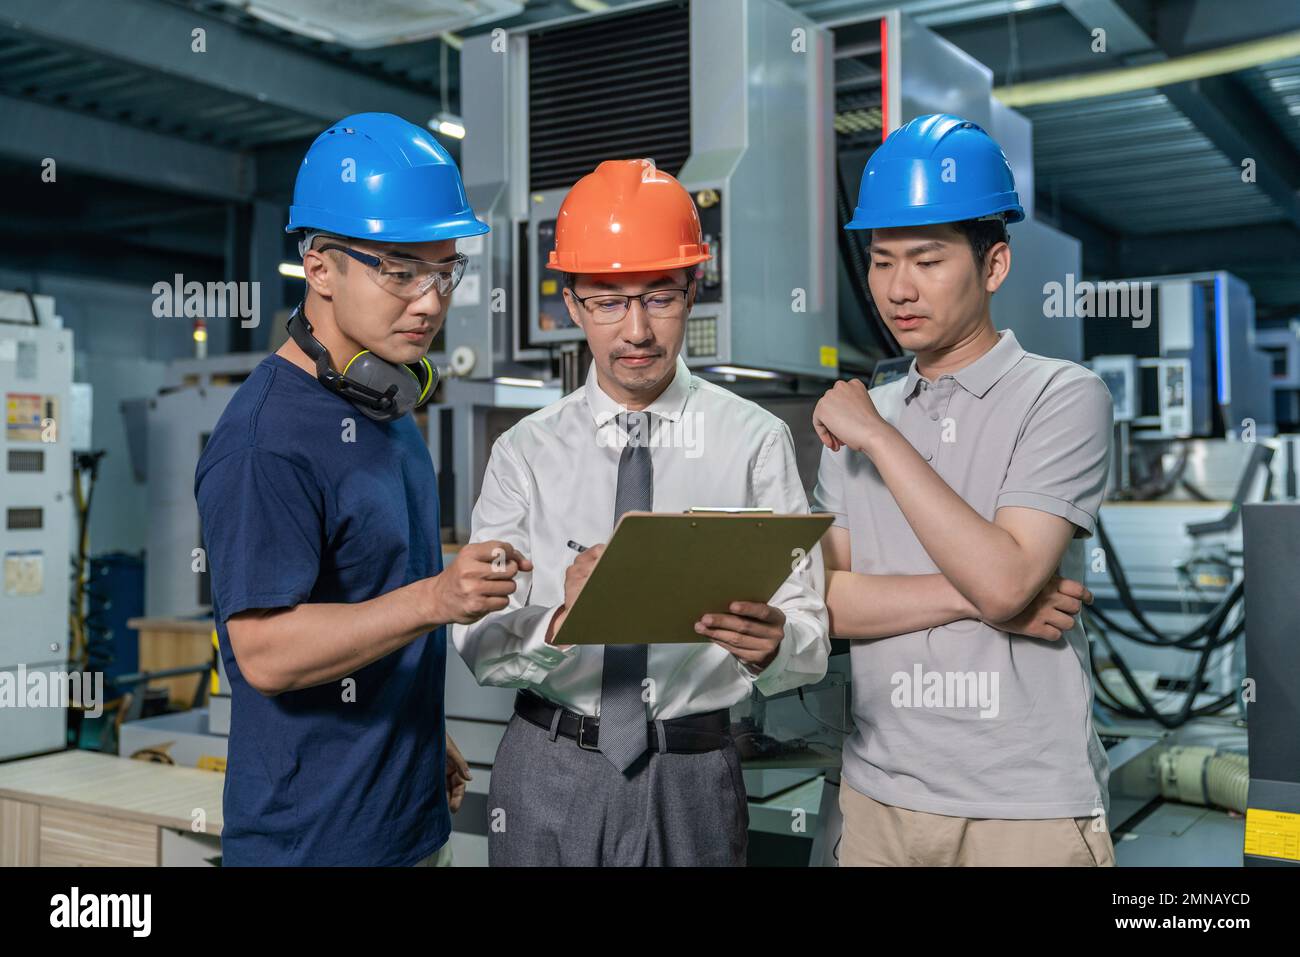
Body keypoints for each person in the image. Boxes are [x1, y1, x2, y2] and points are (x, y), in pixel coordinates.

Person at [453, 159, 830, 866]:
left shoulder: (754, 442)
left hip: (692, 769)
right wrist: (564, 621)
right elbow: (476, 641)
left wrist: (776, 642)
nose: (636, 331)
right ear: (571, 302)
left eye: (659, 298)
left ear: (694, 288)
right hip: (548, 766)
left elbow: (811, 631)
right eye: (608, 301)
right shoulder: (524, 452)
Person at [195, 113, 525, 865]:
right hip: (314, 846)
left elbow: (366, 593)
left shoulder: (385, 405)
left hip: (405, 826)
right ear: (318, 269)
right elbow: (267, 652)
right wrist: (438, 598)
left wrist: (413, 733)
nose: (431, 300)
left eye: (446, 270)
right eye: (400, 271)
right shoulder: (264, 442)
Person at [812, 114, 1115, 867]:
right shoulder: (857, 414)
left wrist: (882, 436)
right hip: (879, 795)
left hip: (1024, 806)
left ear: (995, 264)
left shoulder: (1063, 396)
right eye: (882, 262)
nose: (898, 288)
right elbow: (828, 601)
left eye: (928, 259)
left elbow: (1008, 578)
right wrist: (975, 596)